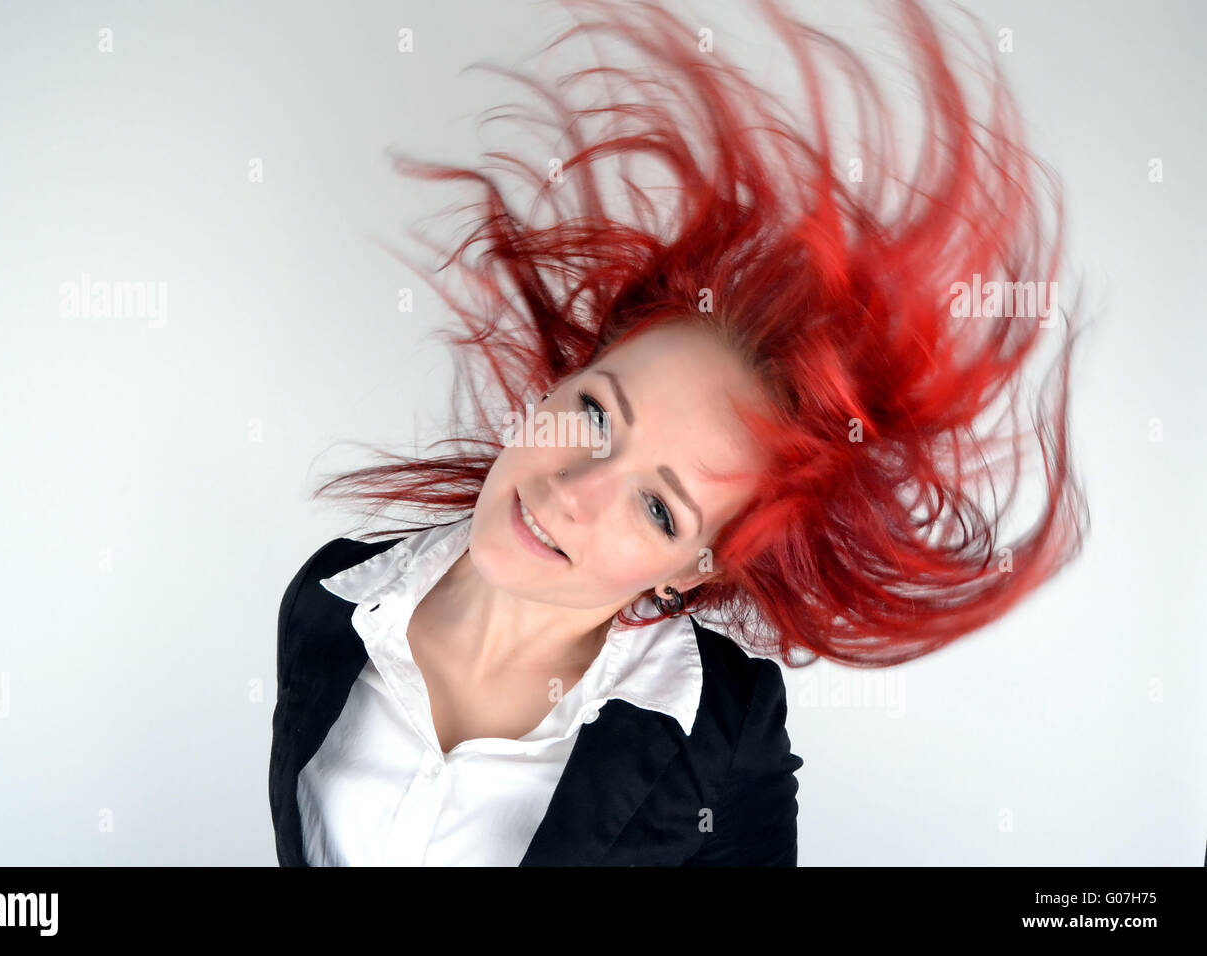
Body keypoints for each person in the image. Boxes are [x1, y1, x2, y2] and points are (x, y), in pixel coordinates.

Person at [270, 0, 1090, 866]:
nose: (571, 492)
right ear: (561, 380)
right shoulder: (330, 599)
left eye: (659, 509)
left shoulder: (724, 744)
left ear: (699, 565)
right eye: (595, 414)